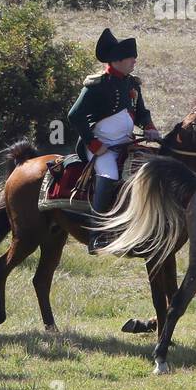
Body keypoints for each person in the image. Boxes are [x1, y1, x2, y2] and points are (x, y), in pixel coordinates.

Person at [67, 28, 160, 253]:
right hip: (101, 147)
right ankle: (96, 235)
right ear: (117, 60)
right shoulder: (96, 85)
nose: (135, 61)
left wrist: (149, 128)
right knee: (109, 175)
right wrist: (94, 145)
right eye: (131, 57)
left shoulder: (132, 84)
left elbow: (141, 112)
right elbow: (74, 115)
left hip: (126, 144)